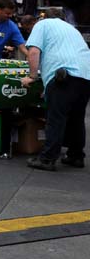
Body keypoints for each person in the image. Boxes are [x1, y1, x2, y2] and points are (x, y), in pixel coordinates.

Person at [22, 9, 90, 171]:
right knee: (76, 118)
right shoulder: (72, 29)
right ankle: (76, 156)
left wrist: (32, 76)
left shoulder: (43, 24)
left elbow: (34, 51)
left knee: (56, 118)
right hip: (86, 75)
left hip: (64, 75)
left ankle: (47, 159)